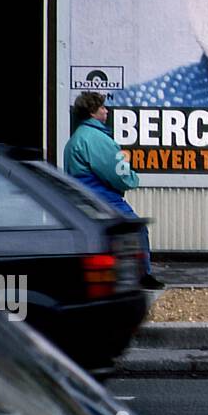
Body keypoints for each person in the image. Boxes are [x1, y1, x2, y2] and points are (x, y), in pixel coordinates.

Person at [65, 91, 162, 290]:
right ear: (92, 112)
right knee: (135, 230)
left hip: (82, 196)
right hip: (101, 196)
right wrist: (132, 179)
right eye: (102, 107)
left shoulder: (75, 138)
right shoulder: (96, 139)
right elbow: (117, 172)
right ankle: (142, 276)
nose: (106, 110)